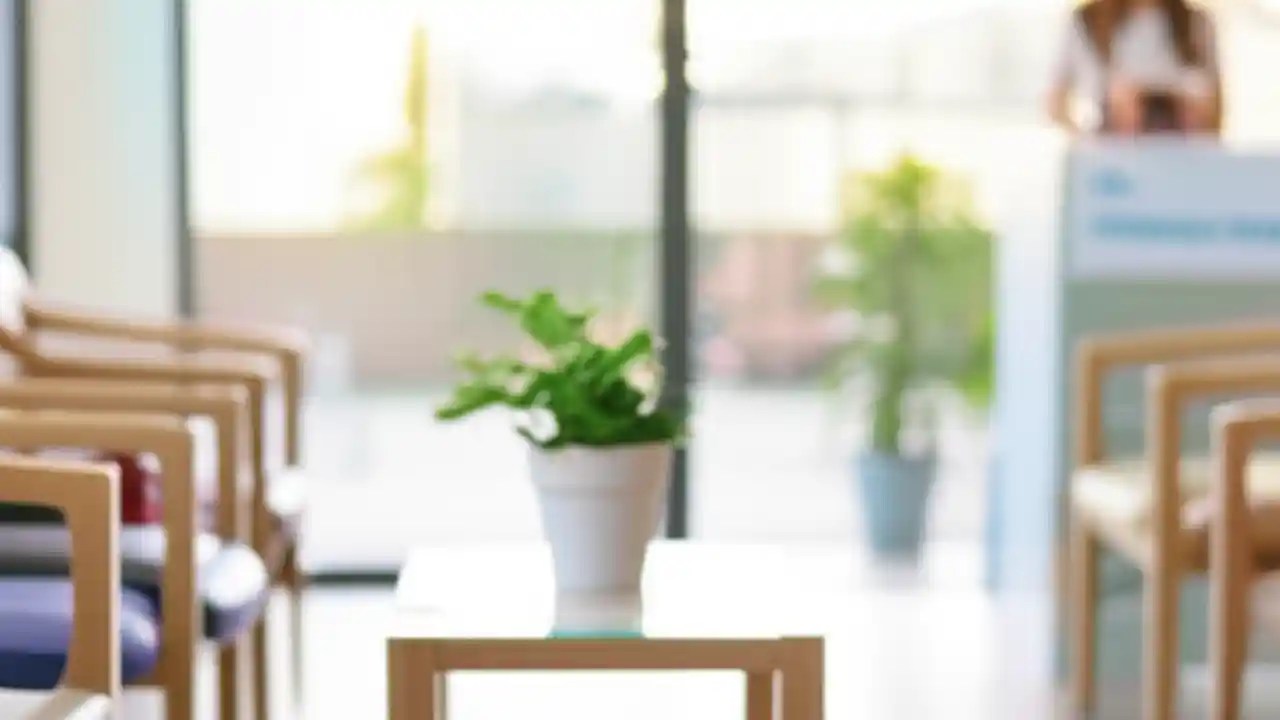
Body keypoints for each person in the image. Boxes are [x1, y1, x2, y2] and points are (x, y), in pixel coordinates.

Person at [1047, 0, 1222, 136]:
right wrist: (1091, 143)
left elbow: (1215, 113)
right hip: (1110, 162)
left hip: (1184, 160)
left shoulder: (1196, 23)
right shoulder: (1085, 22)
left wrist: (1188, 111)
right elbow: (1055, 103)